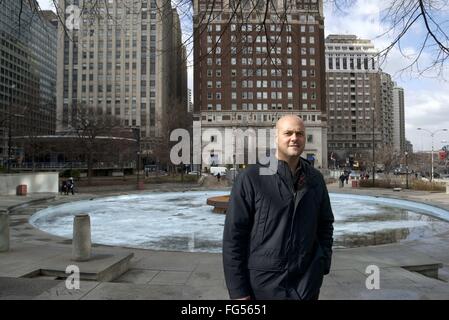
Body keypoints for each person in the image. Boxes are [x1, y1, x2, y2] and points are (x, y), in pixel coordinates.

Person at [223, 115, 334, 300]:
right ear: (276, 137)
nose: (294, 138)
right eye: (288, 133)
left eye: (299, 133)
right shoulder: (250, 178)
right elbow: (234, 237)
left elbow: (325, 224)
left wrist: (321, 263)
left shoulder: (315, 179)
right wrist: (238, 291)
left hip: (306, 286)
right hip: (262, 286)